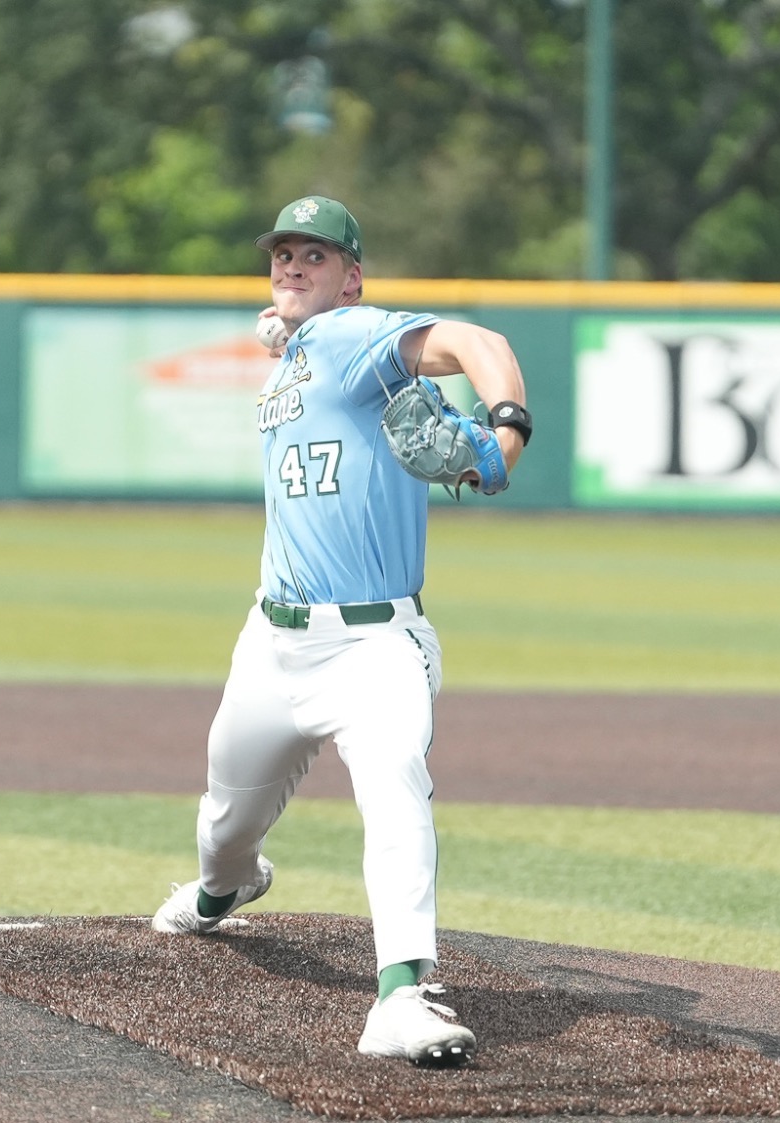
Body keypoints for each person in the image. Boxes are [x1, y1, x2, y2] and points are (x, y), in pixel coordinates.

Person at [150, 196, 532, 1067]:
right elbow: (308, 350)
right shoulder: (306, 349)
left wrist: (507, 429)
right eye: (282, 254)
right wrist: (287, 334)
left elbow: (485, 346)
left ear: (352, 276)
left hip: (373, 646)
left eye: (314, 256)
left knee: (395, 780)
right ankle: (226, 888)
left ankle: (402, 993)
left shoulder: (359, 333)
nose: (291, 265)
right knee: (222, 827)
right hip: (272, 643)